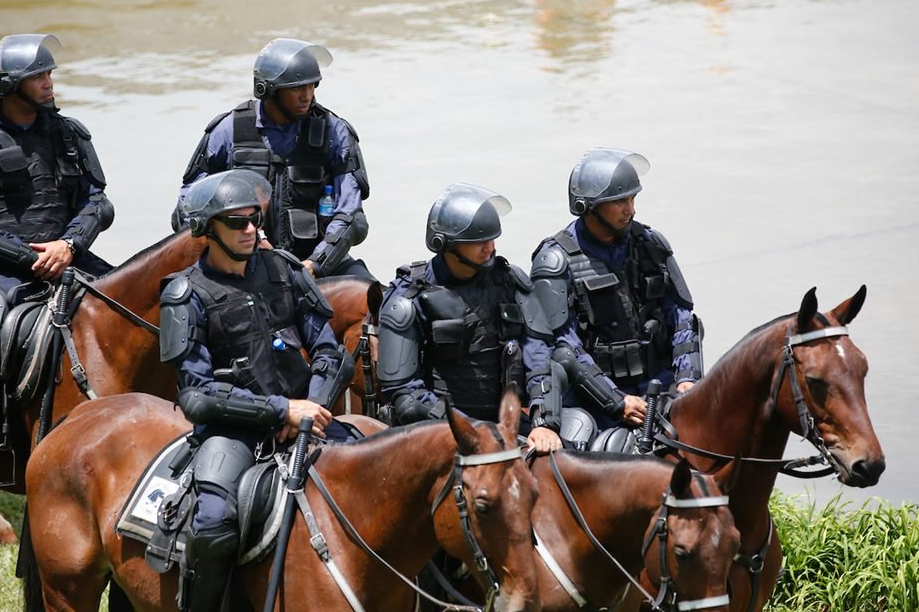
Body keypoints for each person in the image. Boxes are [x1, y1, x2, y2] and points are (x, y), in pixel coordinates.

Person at [159, 169, 354, 612]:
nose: (251, 230)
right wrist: (280, 411)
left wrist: (312, 410)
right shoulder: (184, 295)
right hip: (232, 434)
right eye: (237, 222)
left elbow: (331, 353)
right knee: (211, 524)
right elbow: (196, 397)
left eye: (254, 220)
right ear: (206, 230)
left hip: (308, 418)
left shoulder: (284, 270)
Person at [0, 34, 115, 514]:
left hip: (70, 257)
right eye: (39, 77)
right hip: (4, 271)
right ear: (10, 85)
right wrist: (32, 258)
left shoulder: (71, 133)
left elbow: (98, 201)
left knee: (138, 307)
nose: (49, 84)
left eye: (49, 75)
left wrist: (69, 245)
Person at [377, 182, 572, 454]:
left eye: (492, 239)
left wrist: (544, 421)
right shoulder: (408, 298)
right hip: (444, 433)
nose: (489, 248)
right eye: (478, 242)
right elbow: (405, 395)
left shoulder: (510, 281)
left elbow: (539, 355)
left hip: (509, 427)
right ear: (445, 244)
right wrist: (475, 432)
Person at [529, 147, 703, 445]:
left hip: (661, 385)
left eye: (633, 199)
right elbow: (564, 347)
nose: (631, 209)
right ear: (590, 206)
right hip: (597, 401)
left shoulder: (650, 243)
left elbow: (683, 316)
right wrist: (616, 401)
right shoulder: (555, 261)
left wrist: (688, 379)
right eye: (620, 201)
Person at [176, 37, 372, 280]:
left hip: (315, 261)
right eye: (297, 88)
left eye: (312, 86)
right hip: (242, 261)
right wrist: (245, 243)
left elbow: (350, 215)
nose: (307, 95)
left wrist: (315, 263)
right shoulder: (230, 130)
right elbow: (188, 208)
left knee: (371, 296)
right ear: (267, 89)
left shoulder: (334, 131)